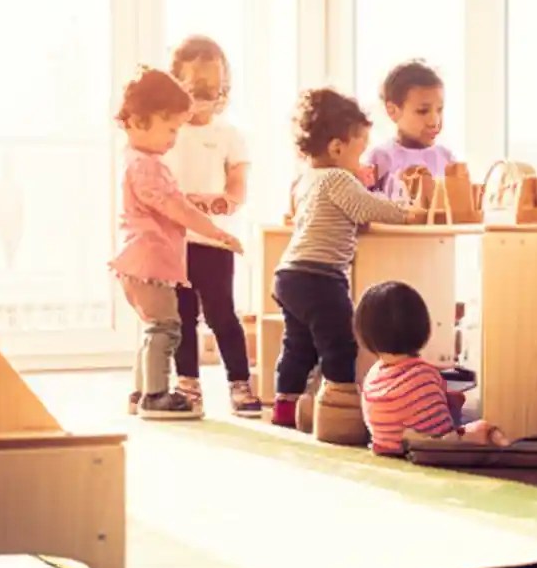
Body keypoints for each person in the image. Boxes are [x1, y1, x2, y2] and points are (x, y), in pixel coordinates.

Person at [271, 87, 425, 443]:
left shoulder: (305, 180)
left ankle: (285, 405)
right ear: (337, 148)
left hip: (290, 274)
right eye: (359, 151)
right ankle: (339, 411)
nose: (361, 160)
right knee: (339, 343)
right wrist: (409, 214)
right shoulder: (339, 178)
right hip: (319, 276)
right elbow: (369, 208)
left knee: (298, 345)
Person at [110, 66, 243, 420]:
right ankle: (155, 395)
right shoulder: (148, 166)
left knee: (154, 327)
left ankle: (141, 392)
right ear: (137, 122)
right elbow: (175, 208)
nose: (173, 139)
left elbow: (168, 202)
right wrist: (215, 231)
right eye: (169, 129)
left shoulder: (136, 161)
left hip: (137, 262)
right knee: (166, 328)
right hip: (149, 261)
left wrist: (186, 202)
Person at [163, 35, 261, 417]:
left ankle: (239, 381)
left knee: (222, 313)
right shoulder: (169, 133)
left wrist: (227, 200)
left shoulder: (228, 135)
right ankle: (186, 383)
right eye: (197, 88)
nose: (208, 96)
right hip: (173, 241)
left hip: (214, 240)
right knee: (181, 316)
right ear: (177, 85)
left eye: (215, 88)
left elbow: (237, 182)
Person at [357, 281, 508, 456]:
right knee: (480, 424)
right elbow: (440, 425)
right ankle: (508, 448)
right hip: (432, 448)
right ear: (421, 327)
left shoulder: (372, 376)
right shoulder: (426, 374)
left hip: (386, 448)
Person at [362, 59, 455, 198]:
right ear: (392, 111)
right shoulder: (380, 158)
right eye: (422, 111)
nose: (434, 121)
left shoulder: (447, 159)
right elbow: (362, 207)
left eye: (439, 109)